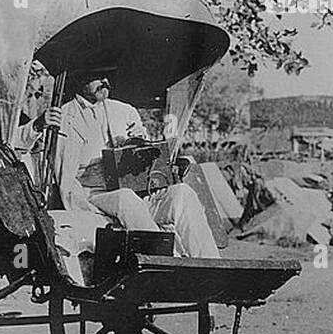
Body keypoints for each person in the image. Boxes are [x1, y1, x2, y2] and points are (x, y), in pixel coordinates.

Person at [35, 72, 219, 259]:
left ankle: (213, 267)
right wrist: (38, 125)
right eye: (97, 77)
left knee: (182, 193)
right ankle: (168, 262)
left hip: (137, 191)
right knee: (125, 198)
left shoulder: (124, 111)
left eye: (107, 76)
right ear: (81, 79)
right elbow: (56, 170)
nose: (105, 82)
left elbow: (144, 144)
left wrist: (138, 143)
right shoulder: (64, 117)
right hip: (94, 196)